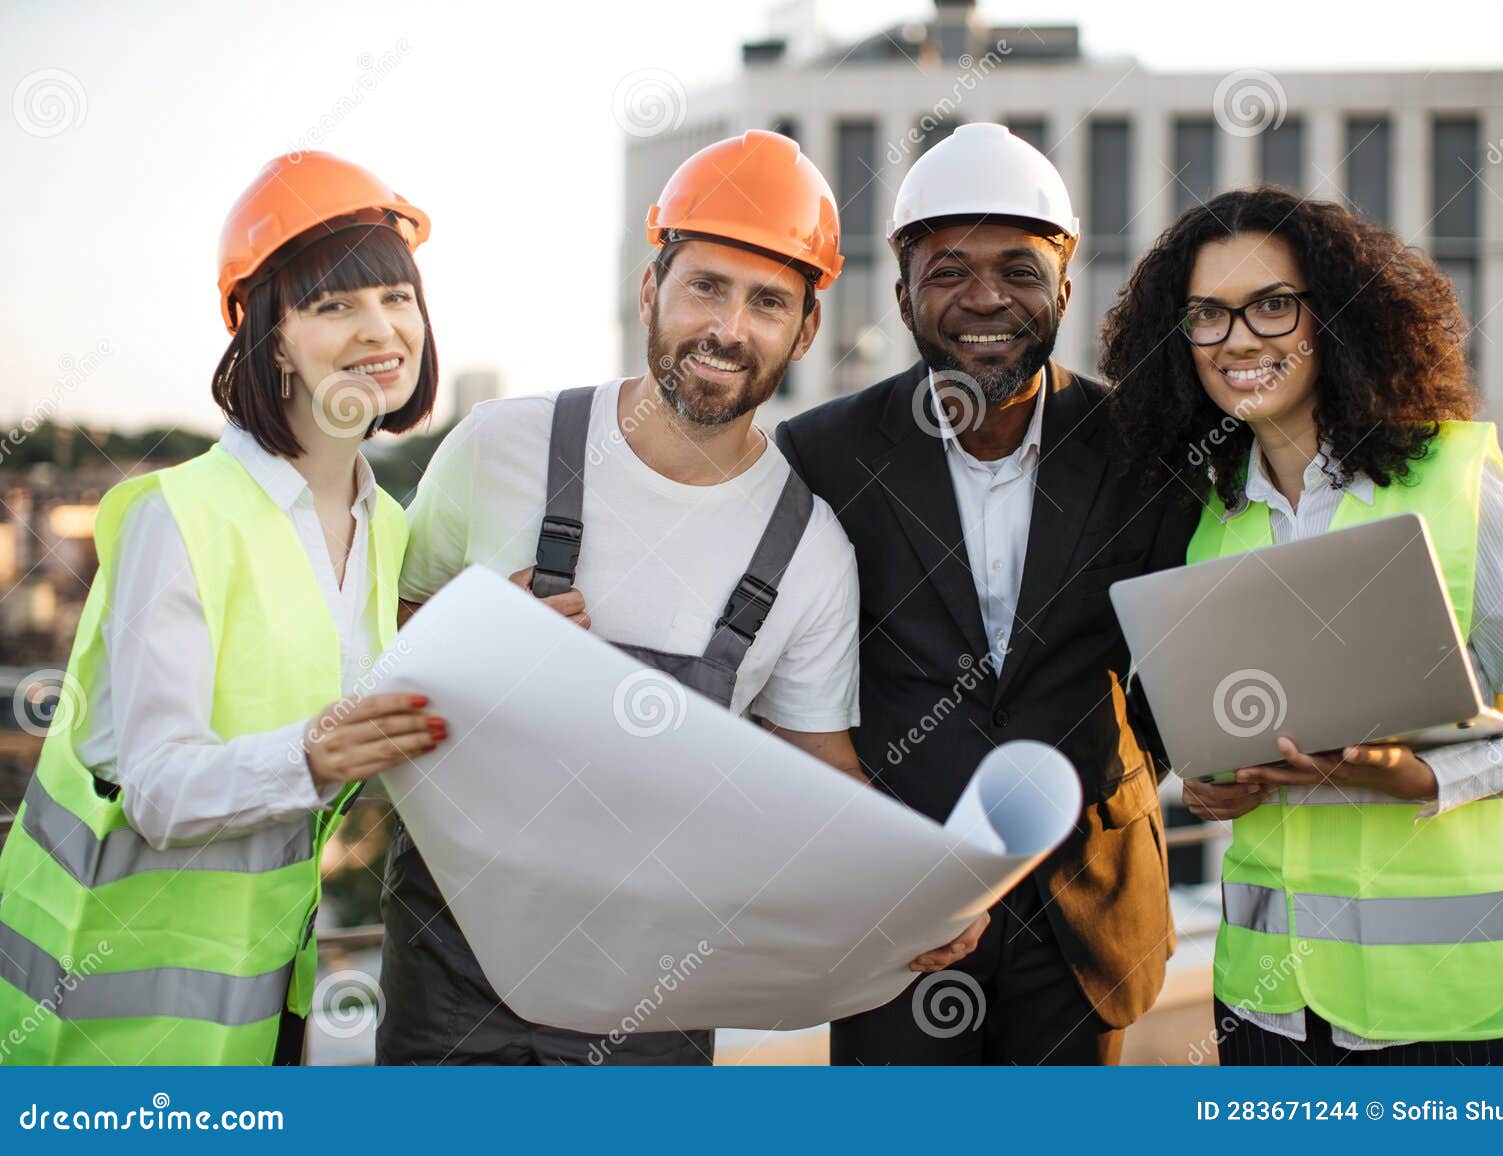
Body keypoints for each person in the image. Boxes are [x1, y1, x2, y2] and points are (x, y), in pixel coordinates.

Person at [379, 129, 952, 1066]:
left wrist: (914, 894)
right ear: (650, 291)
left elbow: (822, 773)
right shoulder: (497, 449)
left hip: (655, 1004)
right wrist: (475, 640)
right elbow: (371, 652)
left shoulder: (809, 549)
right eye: (706, 287)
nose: (730, 327)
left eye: (768, 301)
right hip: (453, 983)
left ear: (806, 329)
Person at [1102, 185, 1503, 1065]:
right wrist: (1214, 784)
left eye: (1272, 305)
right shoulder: (1211, 523)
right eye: (1207, 316)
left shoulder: (1456, 481)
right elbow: (1232, 735)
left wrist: (1425, 779)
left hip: (1465, 1012)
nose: (1239, 339)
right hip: (1273, 1014)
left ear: (1333, 319)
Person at [0, 152, 444, 1065]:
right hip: (105, 1016)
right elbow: (159, 789)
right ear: (271, 337)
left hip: (265, 993)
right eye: (336, 305)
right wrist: (310, 755)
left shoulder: (390, 526)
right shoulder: (179, 516)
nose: (381, 328)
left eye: (398, 298)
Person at [775, 123, 1197, 1065]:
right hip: (900, 917)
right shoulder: (822, 455)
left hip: (1086, 915)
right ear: (904, 295)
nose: (985, 299)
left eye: (1017, 269)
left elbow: (1172, 676)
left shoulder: (1149, 449)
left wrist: (1101, 793)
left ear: (1064, 286)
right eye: (949, 271)